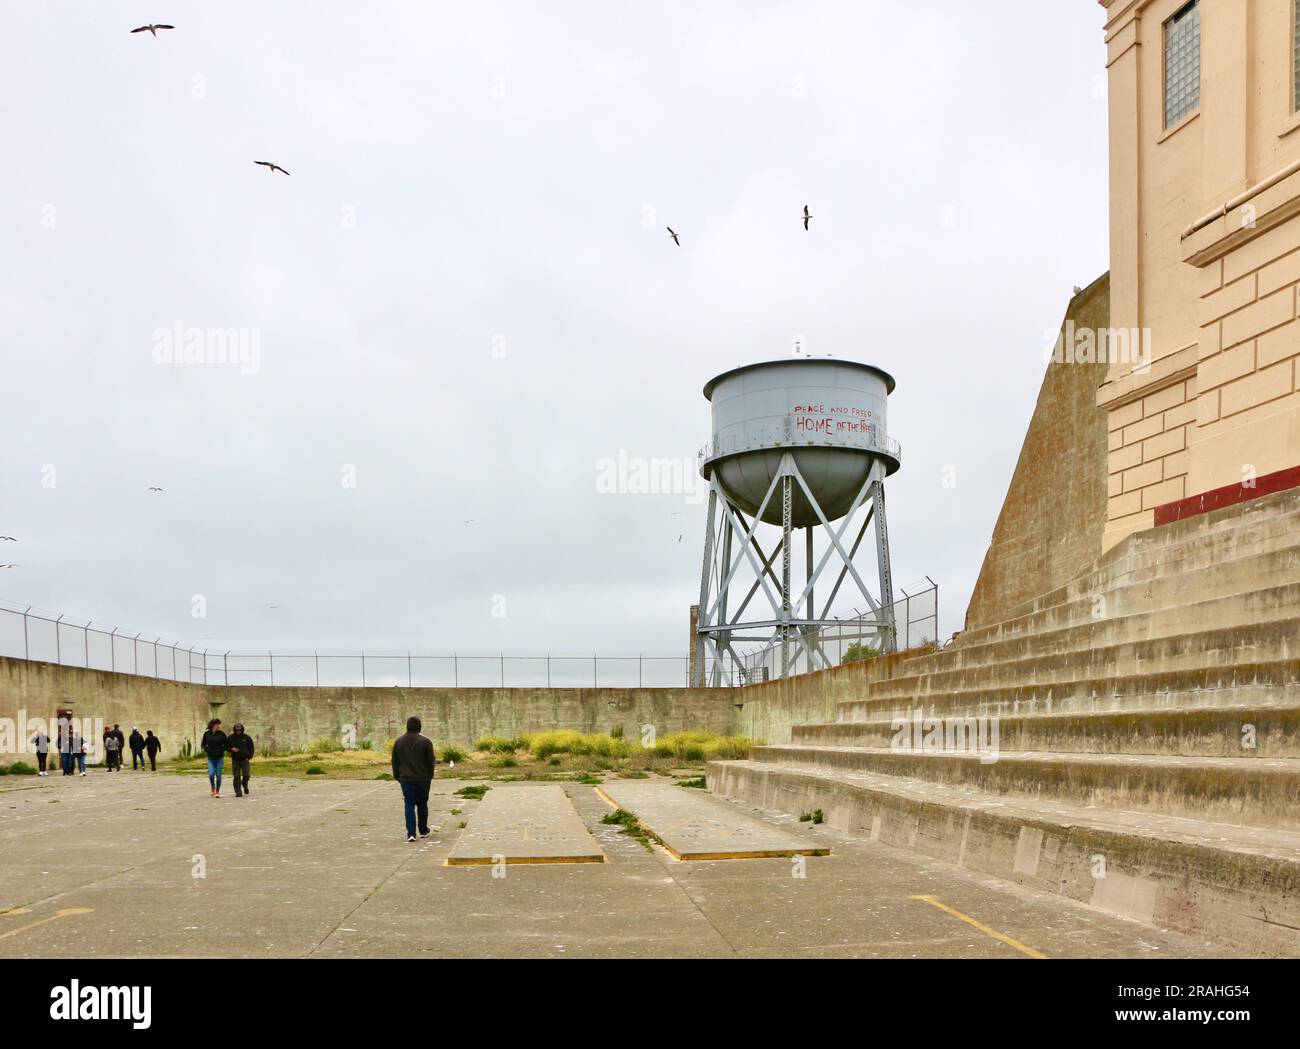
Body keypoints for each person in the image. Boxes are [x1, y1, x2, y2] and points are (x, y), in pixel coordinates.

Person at [390, 716, 435, 842]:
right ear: (419, 727)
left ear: (407, 726)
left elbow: (395, 761)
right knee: (422, 804)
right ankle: (423, 830)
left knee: (409, 804)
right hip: (423, 778)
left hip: (405, 778)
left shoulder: (398, 742)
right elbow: (430, 762)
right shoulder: (426, 742)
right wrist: (430, 775)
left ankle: (411, 833)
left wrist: (397, 776)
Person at [201, 718, 228, 797]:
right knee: (211, 774)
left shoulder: (221, 734)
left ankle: (217, 791)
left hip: (219, 758)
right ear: (213, 725)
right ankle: (213, 787)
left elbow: (226, 744)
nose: (219, 726)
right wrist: (207, 750)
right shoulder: (207, 734)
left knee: (218, 775)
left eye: (219, 724)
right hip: (211, 758)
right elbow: (203, 744)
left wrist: (222, 750)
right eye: (217, 724)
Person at [227, 723, 254, 797]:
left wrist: (249, 756)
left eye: (240, 730)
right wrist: (232, 749)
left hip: (245, 760)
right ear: (234, 730)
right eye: (236, 730)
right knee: (236, 776)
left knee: (246, 775)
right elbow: (227, 747)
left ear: (242, 730)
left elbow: (251, 748)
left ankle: (244, 784)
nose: (238, 731)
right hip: (235, 760)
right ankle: (238, 791)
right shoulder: (231, 738)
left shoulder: (247, 737)